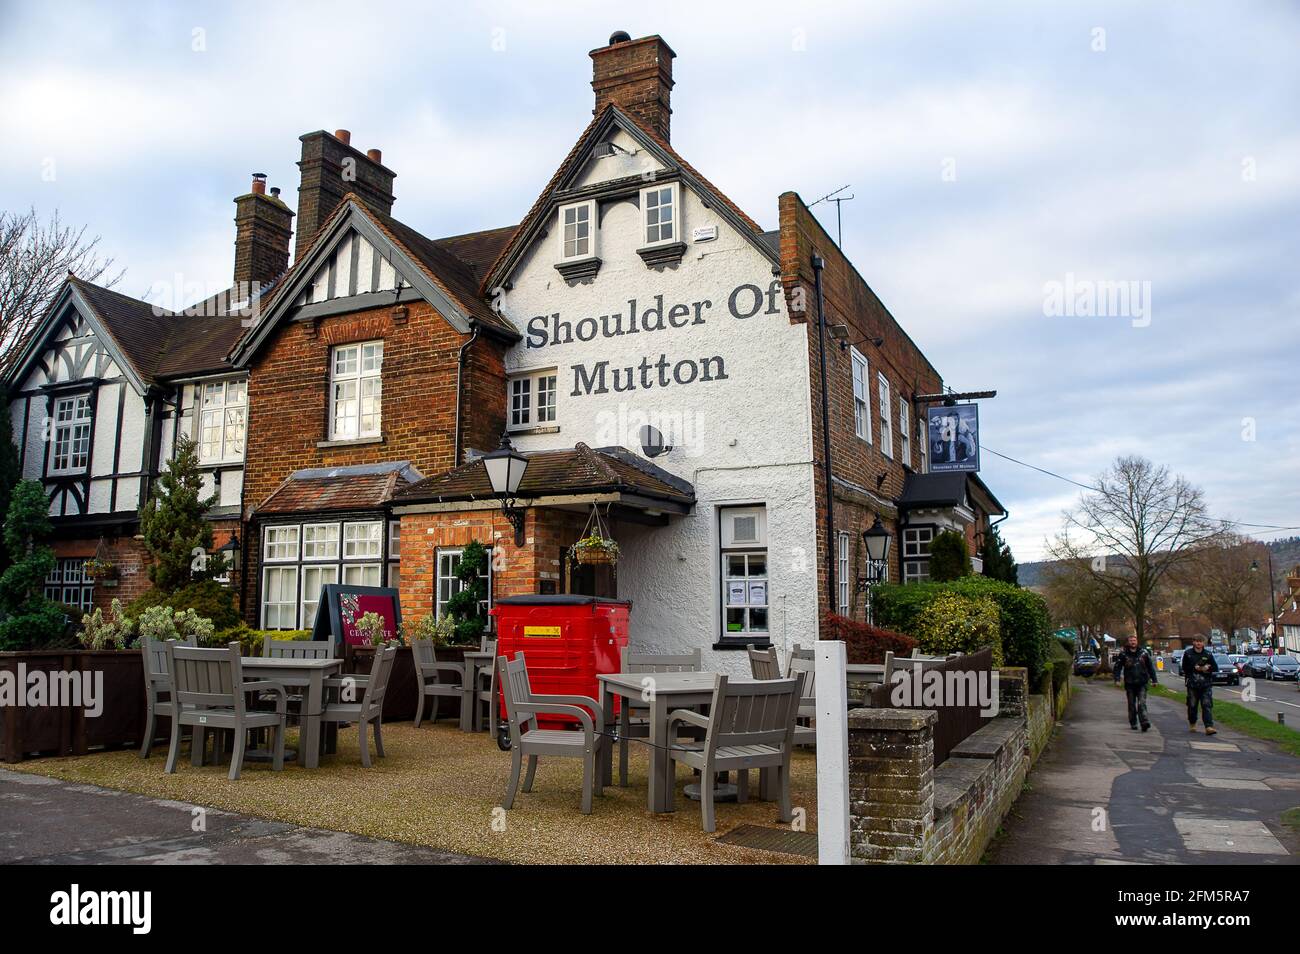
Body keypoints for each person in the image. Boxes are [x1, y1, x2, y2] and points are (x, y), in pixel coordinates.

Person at [1113, 634, 1157, 731]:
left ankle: (1144, 722)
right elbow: (1117, 667)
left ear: (1137, 641)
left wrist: (1154, 680)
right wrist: (1117, 679)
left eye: (1134, 640)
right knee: (1131, 704)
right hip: (1130, 683)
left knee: (1142, 703)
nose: (1133, 642)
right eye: (1131, 640)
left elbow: (1150, 667)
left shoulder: (1144, 653)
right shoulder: (1123, 654)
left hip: (1142, 682)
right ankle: (1133, 722)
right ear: (1128, 642)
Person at [1180, 636, 1218, 735]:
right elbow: (1184, 668)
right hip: (1192, 684)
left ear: (1203, 643)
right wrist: (1194, 668)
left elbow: (1215, 667)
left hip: (1206, 684)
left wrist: (1207, 668)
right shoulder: (1188, 654)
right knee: (1192, 705)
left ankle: (1209, 726)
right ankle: (1192, 723)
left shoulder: (1208, 654)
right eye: (1196, 641)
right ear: (1193, 642)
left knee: (1207, 705)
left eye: (1200, 642)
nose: (1198, 643)